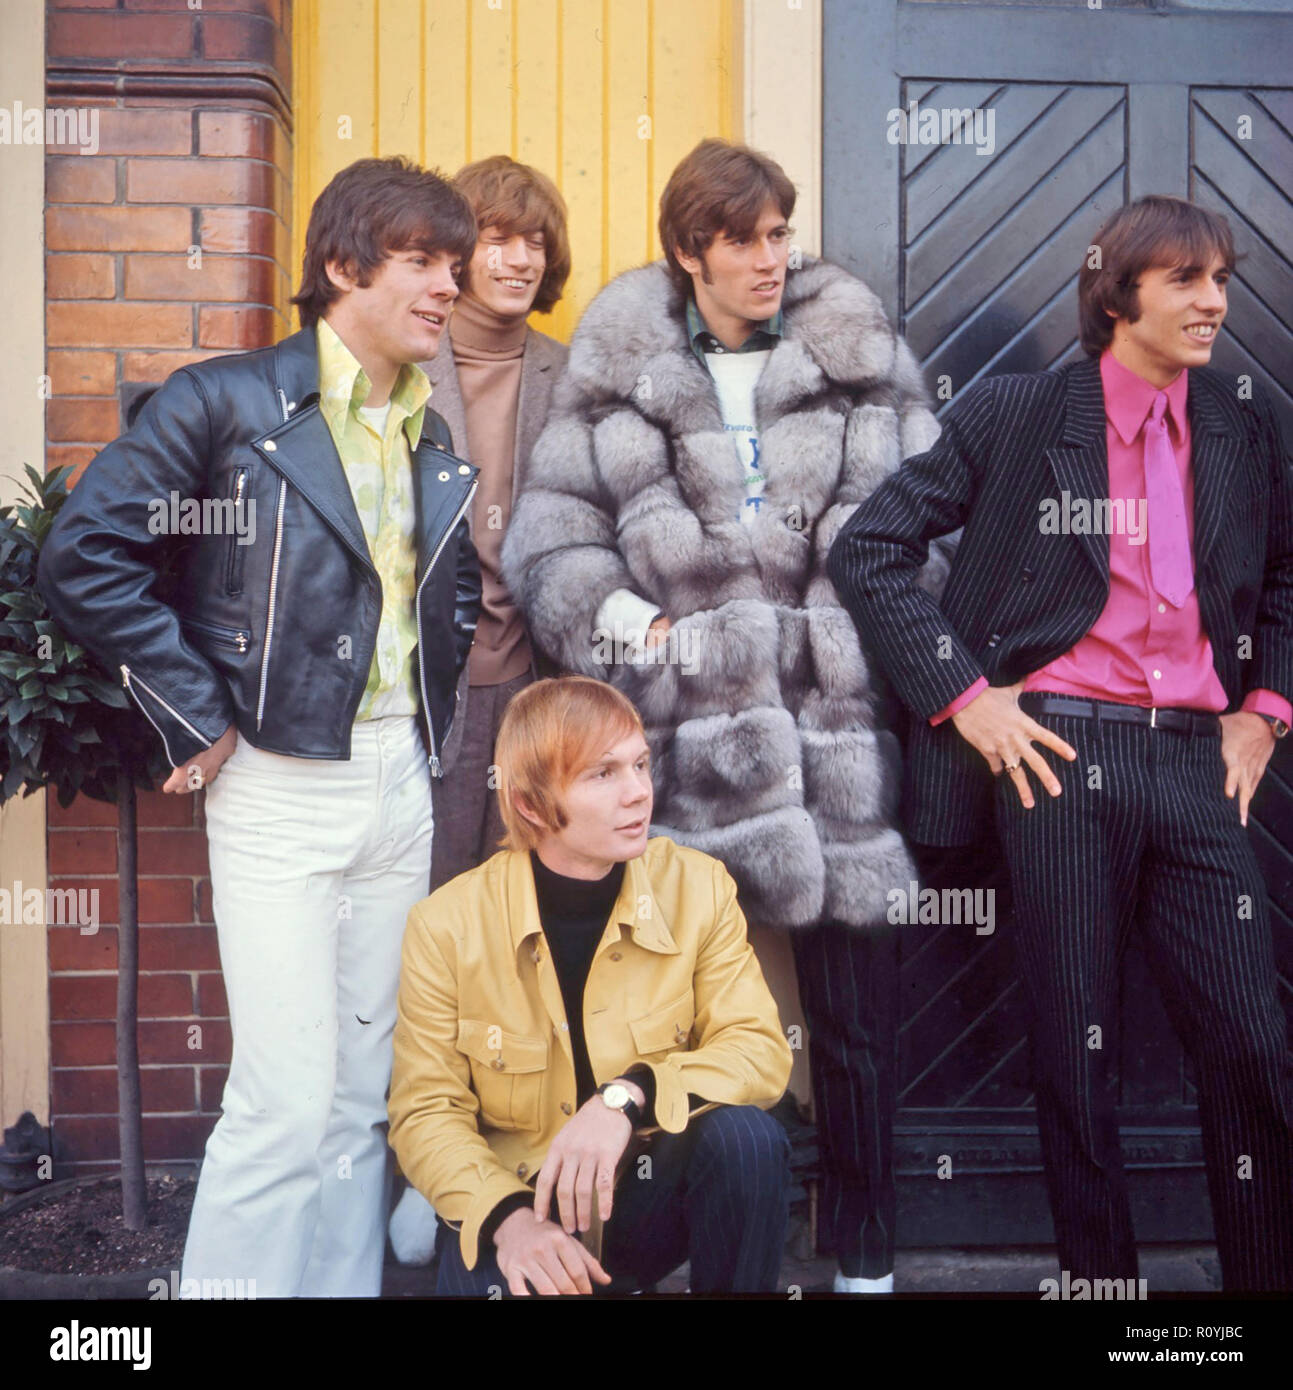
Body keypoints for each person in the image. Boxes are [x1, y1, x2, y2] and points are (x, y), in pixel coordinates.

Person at [501, 138, 952, 1293]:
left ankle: (865, 1261)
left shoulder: (862, 365)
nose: (770, 258)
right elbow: (551, 546)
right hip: (679, 748)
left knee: (855, 1027)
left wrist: (868, 638)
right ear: (690, 249)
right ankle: (614, 1231)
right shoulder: (617, 377)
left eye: (779, 235)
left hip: (836, 739)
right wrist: (639, 633)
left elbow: (934, 530)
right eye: (743, 239)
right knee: (647, 1006)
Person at [828, 196, 1293, 1291]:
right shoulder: (1021, 413)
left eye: (1221, 277)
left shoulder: (1238, 419)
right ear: (1117, 292)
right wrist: (965, 698)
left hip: (1195, 762)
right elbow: (871, 548)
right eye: (1186, 278)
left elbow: (1284, 579)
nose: (1215, 300)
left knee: (1253, 1050)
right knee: (1076, 1057)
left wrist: (1265, 707)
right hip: (1058, 763)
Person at [38, 156, 483, 1297]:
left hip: (397, 780)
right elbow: (84, 554)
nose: (449, 286)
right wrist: (195, 711)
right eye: (421, 262)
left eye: (454, 264)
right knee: (284, 1099)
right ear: (342, 267)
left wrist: (431, 717)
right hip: (280, 784)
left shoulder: (428, 428)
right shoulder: (227, 402)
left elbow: (450, 589)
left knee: (355, 1093)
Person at [388, 675, 793, 1295]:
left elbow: (760, 1050)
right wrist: (506, 1219)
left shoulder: (697, 888)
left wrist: (628, 1096)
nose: (638, 794)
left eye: (639, 764)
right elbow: (424, 1112)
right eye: (603, 775)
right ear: (529, 803)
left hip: (642, 1197)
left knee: (748, 1140)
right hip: (521, 1210)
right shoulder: (446, 925)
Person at [388, 154, 571, 1266]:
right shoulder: (409, 361)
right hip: (436, 685)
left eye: (534, 241)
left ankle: (512, 1167)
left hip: (538, 681)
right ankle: (429, 1164)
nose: (516, 257)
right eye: (496, 237)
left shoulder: (569, 367)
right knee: (439, 922)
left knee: (531, 930)